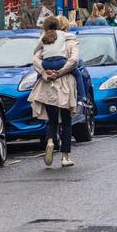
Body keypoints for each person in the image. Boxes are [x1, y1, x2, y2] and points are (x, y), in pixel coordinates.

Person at [30, 15, 79, 169]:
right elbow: (74, 60)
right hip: (65, 83)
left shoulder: (44, 39)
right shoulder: (69, 39)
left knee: (51, 120)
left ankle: (50, 141)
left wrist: (45, 73)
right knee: (66, 120)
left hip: (48, 83)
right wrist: (61, 72)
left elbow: (35, 59)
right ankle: (65, 157)